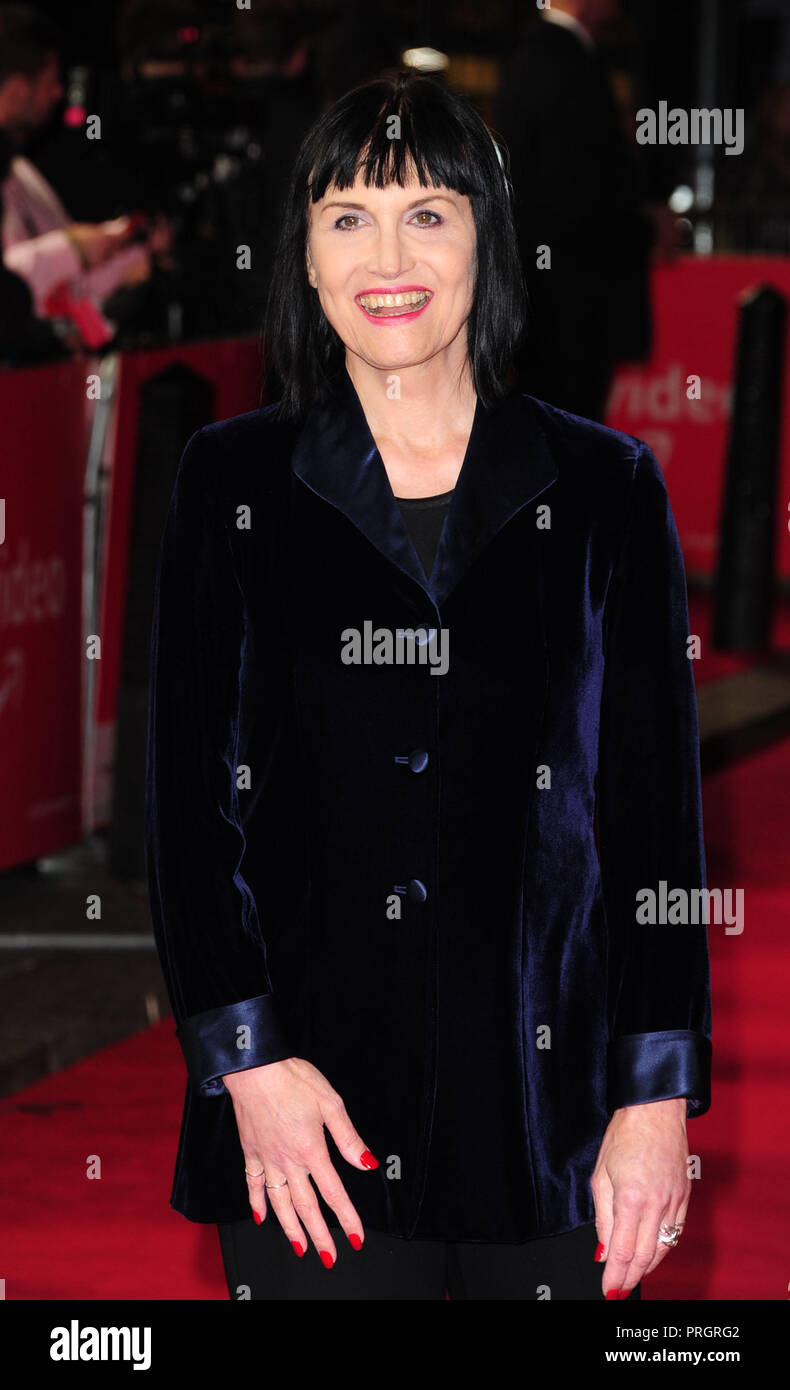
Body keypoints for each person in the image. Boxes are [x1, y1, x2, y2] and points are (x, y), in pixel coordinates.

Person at [145, 70, 712, 1301]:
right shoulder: (227, 481)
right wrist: (249, 1063)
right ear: (301, 254)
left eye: (428, 213)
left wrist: (653, 1095)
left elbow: (656, 823)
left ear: (485, 243)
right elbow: (188, 814)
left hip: (553, 1130)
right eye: (346, 216)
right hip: (311, 1125)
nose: (385, 255)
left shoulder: (606, 487)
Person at [495, 0, 655, 421]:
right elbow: (577, 193)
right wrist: (644, 230)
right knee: (568, 441)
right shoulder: (565, 64)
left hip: (546, 306)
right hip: (572, 309)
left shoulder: (535, 58)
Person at [0, 5, 155, 321]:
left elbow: (69, 292)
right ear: (17, 90)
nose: (58, 94)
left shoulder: (22, 174)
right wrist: (74, 248)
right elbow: (11, 287)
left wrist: (131, 253)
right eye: (50, 82)